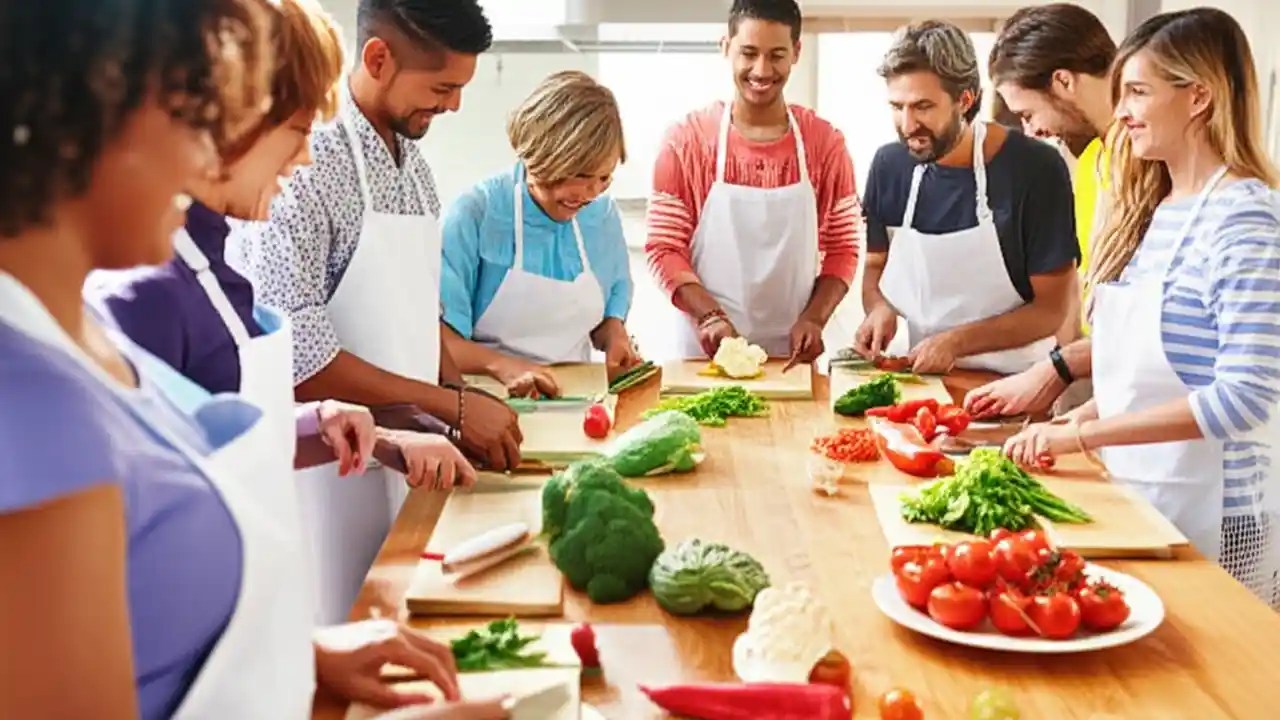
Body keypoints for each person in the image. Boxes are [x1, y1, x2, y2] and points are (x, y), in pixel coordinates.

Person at [0, 1, 507, 718]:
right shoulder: (32, 404)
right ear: (90, 114)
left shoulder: (74, 339)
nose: (207, 158)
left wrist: (303, 659)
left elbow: (155, 620)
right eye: (195, 115)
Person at [87, 0, 474, 493]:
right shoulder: (143, 295)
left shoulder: (215, 268)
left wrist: (370, 434)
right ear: (229, 119)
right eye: (298, 131)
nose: (304, 157)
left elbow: (230, 433)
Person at [233, 0, 522, 625]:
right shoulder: (305, 167)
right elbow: (301, 362)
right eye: (443, 87)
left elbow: (419, 315)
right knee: (340, 639)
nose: (453, 106)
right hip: (330, 473)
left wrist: (460, 394)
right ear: (378, 58)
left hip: (412, 459)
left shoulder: (415, 168)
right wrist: (454, 406)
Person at [1004, 8, 1280, 608]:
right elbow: (1154, 379)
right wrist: (1075, 422)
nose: (1122, 111)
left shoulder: (1246, 218)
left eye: (1137, 91)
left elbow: (1245, 395)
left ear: (1199, 97)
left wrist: (1087, 436)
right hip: (1144, 502)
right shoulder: (1163, 210)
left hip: (1215, 521)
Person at [853, 20, 1079, 376]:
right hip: (913, 380)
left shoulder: (1036, 169)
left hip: (1011, 387)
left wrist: (955, 343)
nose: (908, 125)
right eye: (897, 106)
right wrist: (878, 307)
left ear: (965, 99)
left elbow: (1051, 310)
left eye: (923, 106)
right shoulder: (889, 165)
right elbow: (874, 267)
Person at [645, 0, 861, 363]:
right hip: (707, 349)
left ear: (796, 52)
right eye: (748, 53)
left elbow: (843, 248)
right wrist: (710, 316)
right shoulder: (686, 141)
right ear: (725, 47)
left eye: (777, 55)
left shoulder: (825, 145)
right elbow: (663, 248)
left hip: (792, 355)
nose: (761, 70)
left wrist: (814, 318)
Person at [441, 70, 640, 397]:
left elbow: (607, 313)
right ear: (540, 157)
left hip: (576, 397)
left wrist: (615, 335)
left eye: (603, 178)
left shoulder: (600, 215)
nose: (588, 193)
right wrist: (504, 365)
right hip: (489, 398)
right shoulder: (476, 214)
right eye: (578, 175)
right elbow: (442, 342)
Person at [966, 3, 1118, 418]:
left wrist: (1057, 372)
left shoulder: (1150, 164)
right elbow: (1083, 282)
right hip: (1095, 368)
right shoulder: (1093, 160)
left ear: (1064, 81)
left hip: (1127, 379)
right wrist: (1058, 376)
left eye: (1028, 113)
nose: (1031, 131)